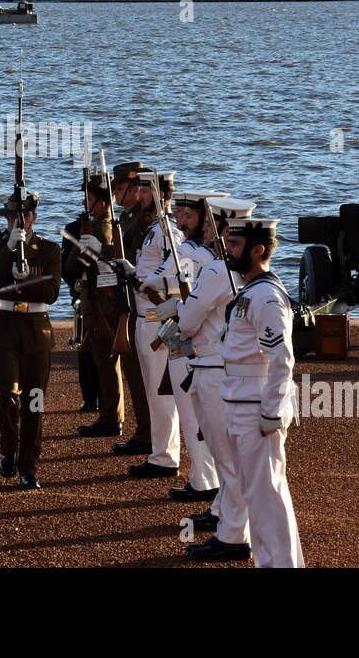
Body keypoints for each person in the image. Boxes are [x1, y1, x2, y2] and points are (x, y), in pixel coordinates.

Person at [188, 216, 304, 566]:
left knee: (266, 497)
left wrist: (270, 413)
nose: (228, 251)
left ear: (259, 250)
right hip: (240, 403)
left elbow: (282, 360)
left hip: (256, 410)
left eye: (236, 245)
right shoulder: (250, 292)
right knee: (257, 495)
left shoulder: (265, 297)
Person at [159, 196, 253, 549]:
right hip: (228, 365)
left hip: (213, 367)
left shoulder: (217, 270)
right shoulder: (244, 272)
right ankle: (222, 512)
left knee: (225, 456)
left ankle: (232, 534)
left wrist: (178, 306)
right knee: (227, 454)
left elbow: (188, 321)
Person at [144, 190, 223, 502]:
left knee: (194, 417)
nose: (181, 221)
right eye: (179, 213)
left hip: (195, 346)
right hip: (196, 344)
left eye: (189, 216)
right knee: (196, 418)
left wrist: (175, 307)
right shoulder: (199, 254)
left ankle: (204, 481)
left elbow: (166, 286)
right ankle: (204, 478)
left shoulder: (197, 256)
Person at [0, 191, 61, 489]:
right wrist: (9, 249)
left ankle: (29, 463)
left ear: (34, 217)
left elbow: (51, 293)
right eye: (14, 216)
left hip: (36, 329)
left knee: (35, 400)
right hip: (5, 328)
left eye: (25, 216)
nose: (19, 221)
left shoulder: (50, 249)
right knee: (6, 394)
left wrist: (22, 280)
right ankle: (8, 450)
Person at [62, 167, 127, 436]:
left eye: (89, 199)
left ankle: (111, 419)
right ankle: (110, 415)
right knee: (103, 361)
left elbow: (78, 267)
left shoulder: (103, 227)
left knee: (106, 361)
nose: (84, 204)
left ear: (101, 202)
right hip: (97, 301)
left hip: (102, 304)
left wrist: (82, 250)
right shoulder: (105, 224)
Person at [126, 171, 183, 479]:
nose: (140, 196)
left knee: (162, 394)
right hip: (143, 317)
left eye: (145, 191)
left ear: (161, 195)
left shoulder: (167, 230)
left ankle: (165, 457)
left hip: (157, 319)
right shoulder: (153, 229)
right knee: (153, 391)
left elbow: (176, 266)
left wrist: (142, 278)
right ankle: (160, 452)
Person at [108, 161, 154, 457]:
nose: (114, 195)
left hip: (140, 304)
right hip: (128, 301)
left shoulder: (141, 222)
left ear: (135, 190)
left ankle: (150, 434)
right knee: (134, 373)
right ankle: (145, 431)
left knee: (141, 374)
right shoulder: (128, 219)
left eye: (120, 189)